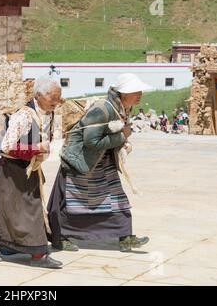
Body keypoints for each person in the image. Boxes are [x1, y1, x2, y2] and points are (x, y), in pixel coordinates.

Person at [0, 76, 63, 269]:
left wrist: (42, 148)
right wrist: (37, 147)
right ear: (38, 95)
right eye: (53, 97)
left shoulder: (48, 113)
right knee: (30, 209)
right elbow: (7, 146)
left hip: (26, 168)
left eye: (58, 98)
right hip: (8, 168)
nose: (56, 102)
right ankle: (38, 254)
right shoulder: (25, 115)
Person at [48, 73, 150, 253]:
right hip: (80, 164)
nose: (140, 94)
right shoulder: (102, 108)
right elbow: (91, 142)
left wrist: (123, 143)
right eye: (135, 91)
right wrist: (122, 136)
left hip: (102, 163)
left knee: (117, 200)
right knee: (72, 203)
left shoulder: (123, 109)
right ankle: (60, 237)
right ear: (124, 93)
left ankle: (125, 237)